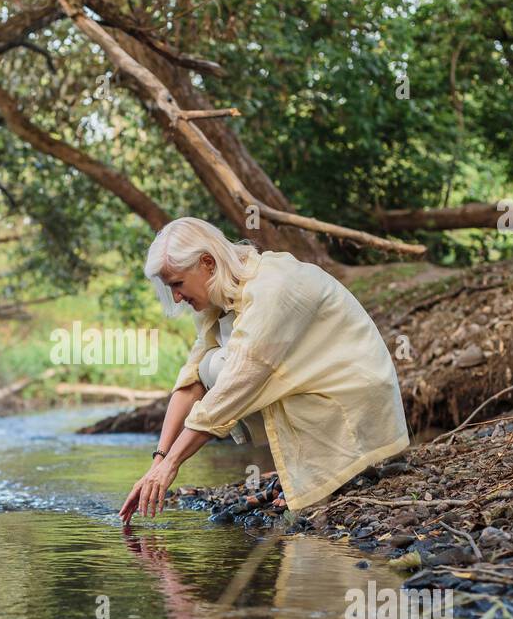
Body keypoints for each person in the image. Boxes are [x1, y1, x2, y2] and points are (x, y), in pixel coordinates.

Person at [119, 217, 409, 525]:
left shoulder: (273, 285)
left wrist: (173, 464)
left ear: (206, 262)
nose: (176, 297)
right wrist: (159, 461)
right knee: (209, 366)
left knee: (226, 372)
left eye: (177, 284)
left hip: (356, 405)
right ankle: (306, 473)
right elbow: (191, 380)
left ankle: (341, 471)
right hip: (319, 394)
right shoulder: (222, 294)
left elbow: (239, 384)